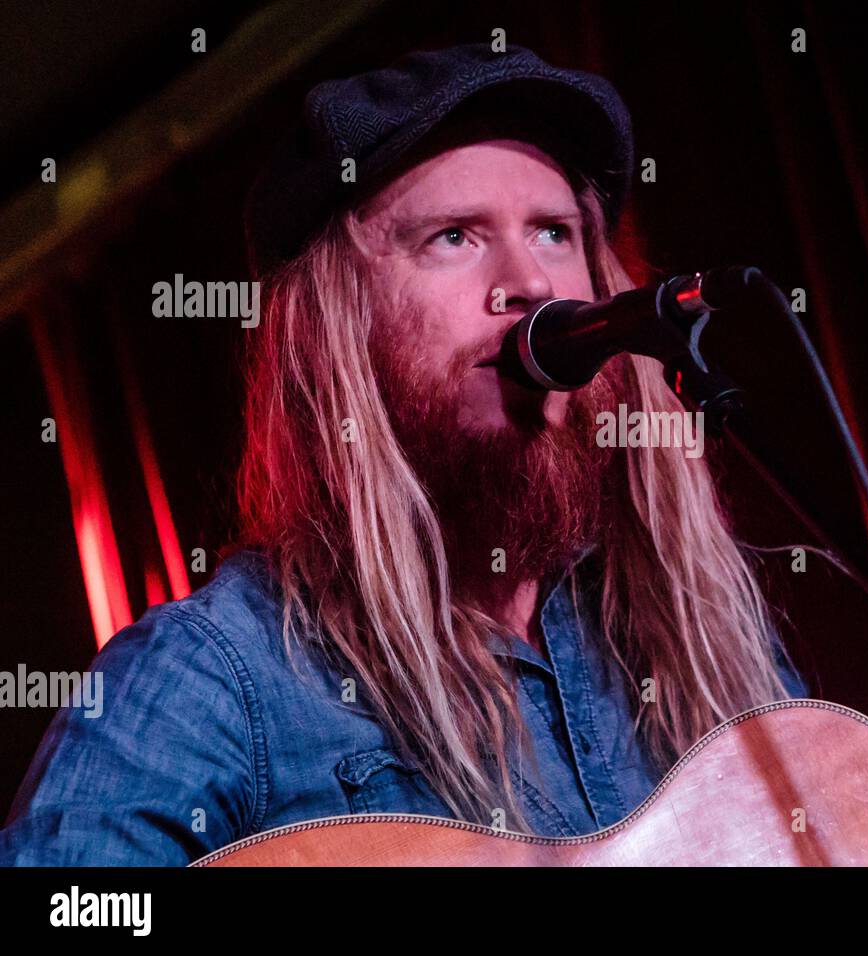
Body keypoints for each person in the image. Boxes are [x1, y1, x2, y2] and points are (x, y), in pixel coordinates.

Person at [0, 42, 807, 866]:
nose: (527, 283)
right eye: (453, 237)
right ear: (338, 328)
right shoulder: (214, 678)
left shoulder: (695, 628)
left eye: (555, 232)